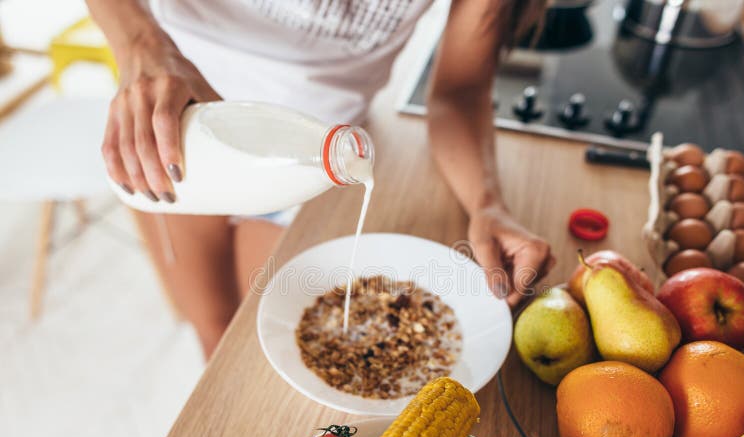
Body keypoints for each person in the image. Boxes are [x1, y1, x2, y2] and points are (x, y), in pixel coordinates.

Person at [88, 0, 555, 359]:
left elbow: (460, 91)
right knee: (210, 328)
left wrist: (486, 204)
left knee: (255, 351)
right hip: (176, 129)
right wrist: (142, 47)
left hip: (315, 164)